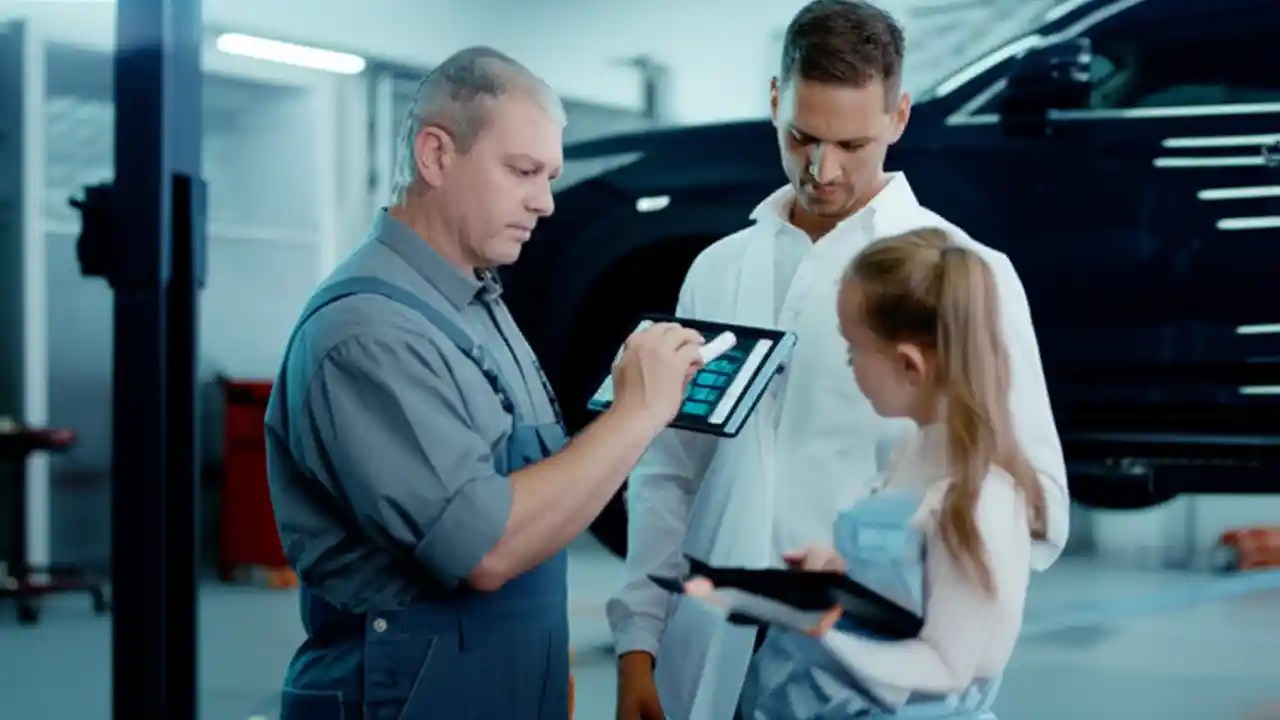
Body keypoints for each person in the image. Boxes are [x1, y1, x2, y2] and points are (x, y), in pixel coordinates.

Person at [607, 2, 1070, 719]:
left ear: (900, 116)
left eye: (852, 144)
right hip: (710, 660)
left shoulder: (965, 276)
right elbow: (671, 473)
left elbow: (1036, 501)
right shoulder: (718, 270)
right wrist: (639, 643)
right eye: (802, 137)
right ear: (774, 100)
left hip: (866, 685)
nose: (822, 170)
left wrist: (885, 585)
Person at [263, 46, 705, 720]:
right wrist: (636, 414)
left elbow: (537, 491)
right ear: (436, 155)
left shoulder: (474, 302)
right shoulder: (368, 332)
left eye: (550, 177)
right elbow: (486, 547)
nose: (545, 203)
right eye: (523, 171)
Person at [687, 228, 1046, 718]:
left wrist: (820, 627)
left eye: (854, 349)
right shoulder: (911, 454)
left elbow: (948, 666)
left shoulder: (981, 499)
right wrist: (837, 575)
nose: (850, 364)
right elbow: (906, 588)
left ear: (910, 365)